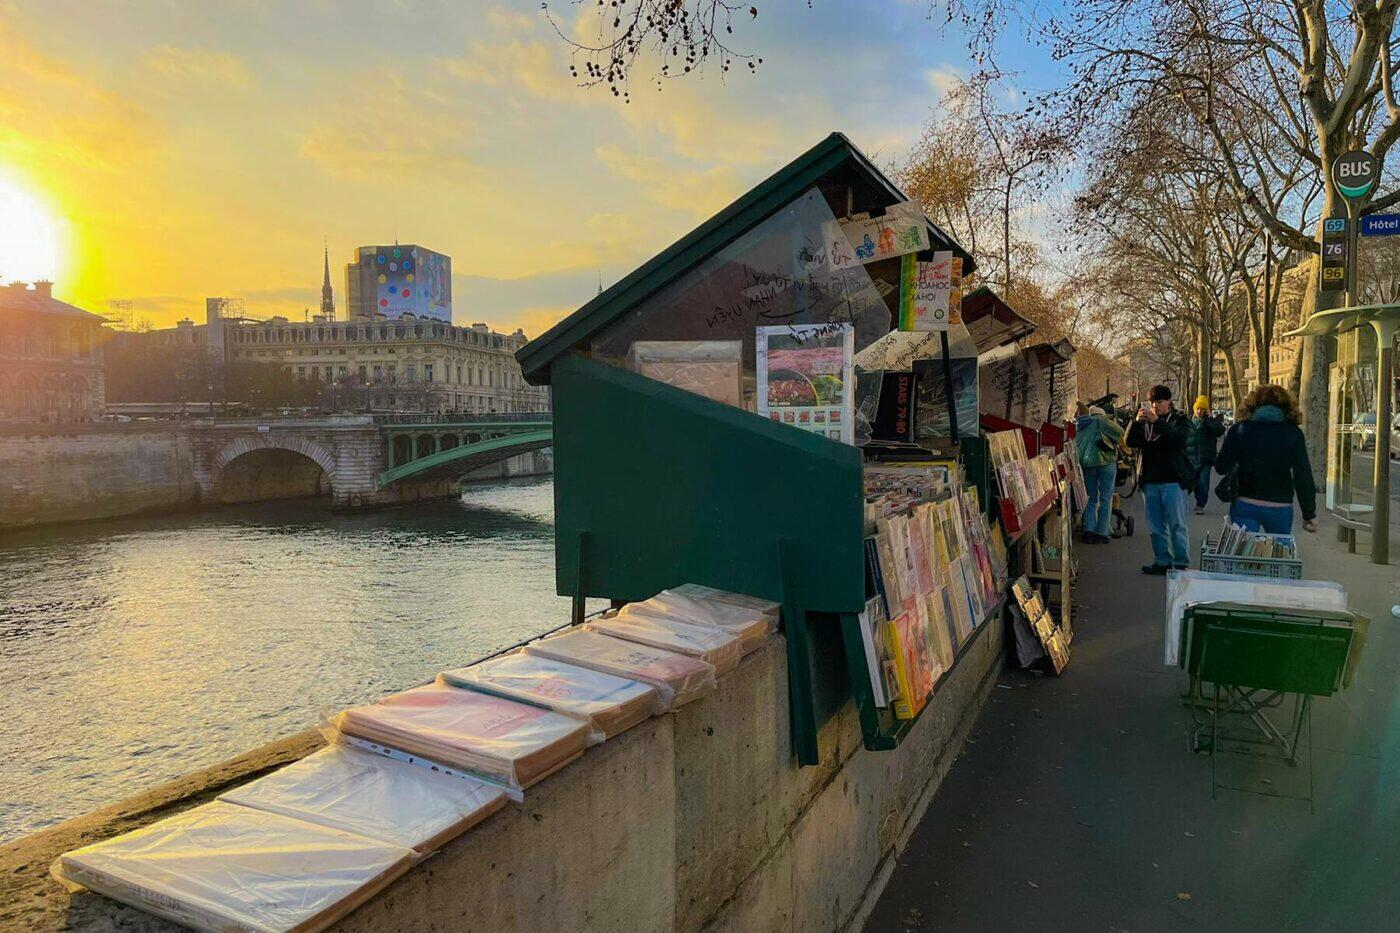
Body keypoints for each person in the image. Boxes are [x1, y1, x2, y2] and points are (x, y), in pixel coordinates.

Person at [1214, 384, 1317, 534]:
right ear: (1287, 407)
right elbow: (1303, 475)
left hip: (1246, 502)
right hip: (1280, 505)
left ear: (1251, 405)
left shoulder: (1240, 429)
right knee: (1278, 548)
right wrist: (1309, 514)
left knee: (1243, 548)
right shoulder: (1293, 433)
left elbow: (1221, 466)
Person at [1126, 384, 1194, 574]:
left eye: (1159, 401)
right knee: (1155, 526)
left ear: (1169, 401)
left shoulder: (1179, 420)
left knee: (1177, 524)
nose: (1155, 406)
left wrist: (1158, 422)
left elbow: (1180, 439)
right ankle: (1162, 560)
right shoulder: (1144, 422)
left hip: (1173, 481)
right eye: (1152, 402)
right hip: (1150, 481)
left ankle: (1181, 562)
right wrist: (1135, 422)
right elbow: (1129, 441)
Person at [1074, 401, 1125, 543]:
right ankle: (1102, 532)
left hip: (1087, 464)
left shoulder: (1079, 424)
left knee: (1090, 497)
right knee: (1106, 497)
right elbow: (1121, 433)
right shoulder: (1101, 420)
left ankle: (1088, 530)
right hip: (1105, 461)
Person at [1186, 396, 1225, 515]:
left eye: (1203, 409)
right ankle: (1192, 499)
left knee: (1203, 482)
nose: (1199, 411)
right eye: (1198, 408)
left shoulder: (1209, 422)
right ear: (1194, 409)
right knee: (1194, 482)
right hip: (1191, 458)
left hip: (1205, 459)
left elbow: (1220, 430)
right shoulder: (1188, 423)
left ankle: (1200, 504)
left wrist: (1210, 421)